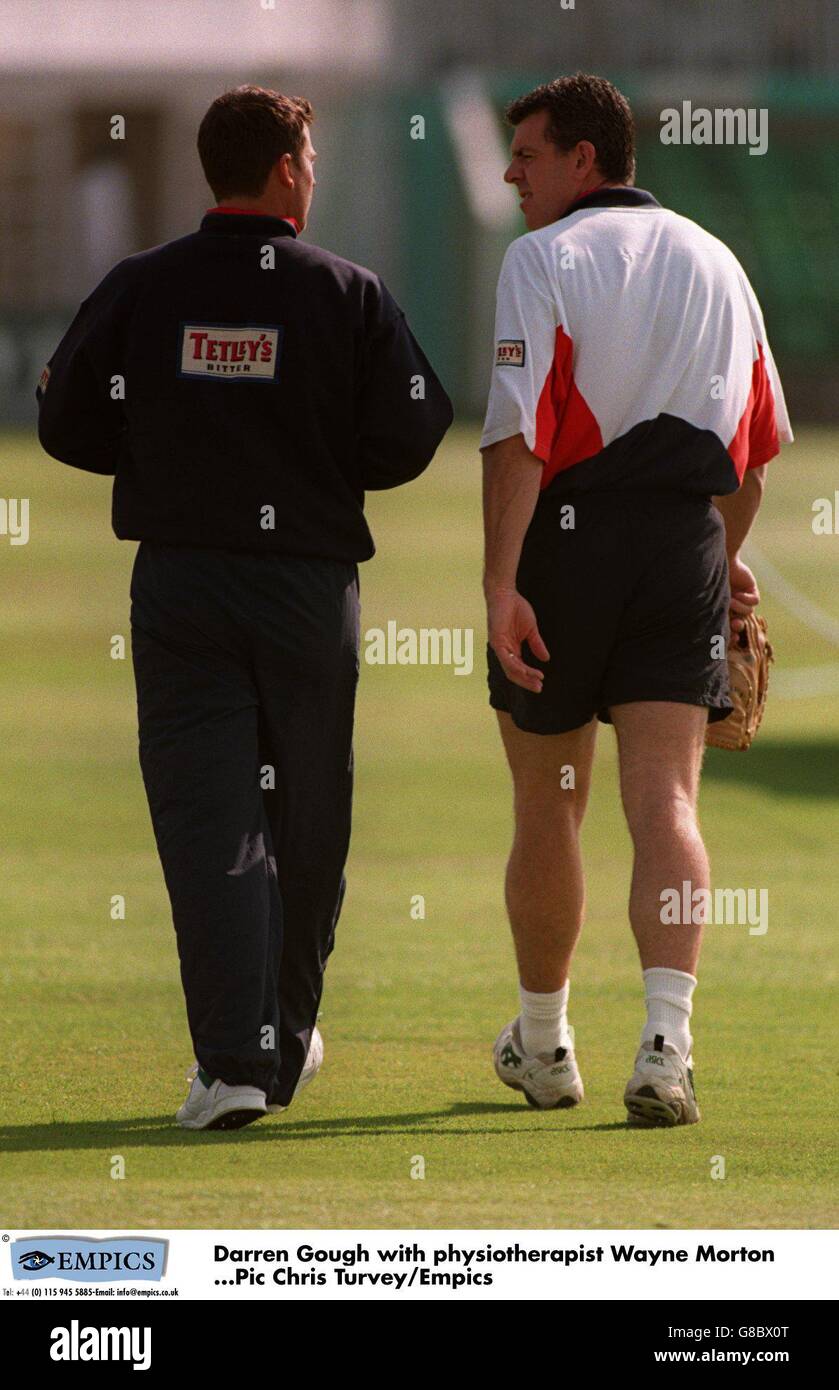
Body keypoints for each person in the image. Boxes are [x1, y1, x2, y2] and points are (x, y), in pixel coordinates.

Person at [37, 85, 452, 1131]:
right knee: (308, 815)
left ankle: (232, 1063)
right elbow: (413, 429)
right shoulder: (345, 291)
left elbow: (66, 418)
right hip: (308, 589)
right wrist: (316, 464)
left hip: (181, 582)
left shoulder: (143, 286)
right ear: (282, 170)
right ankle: (278, 1041)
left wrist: (165, 454)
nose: (312, 173)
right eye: (307, 158)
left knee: (206, 819)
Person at [481, 73, 791, 1126]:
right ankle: (665, 1047)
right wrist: (718, 558)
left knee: (548, 799)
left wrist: (498, 582)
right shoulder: (717, 259)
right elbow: (756, 450)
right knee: (664, 799)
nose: (512, 174)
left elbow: (519, 434)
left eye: (526, 154)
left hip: (563, 546)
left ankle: (542, 1042)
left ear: (583, 159)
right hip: (676, 544)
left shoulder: (540, 258)